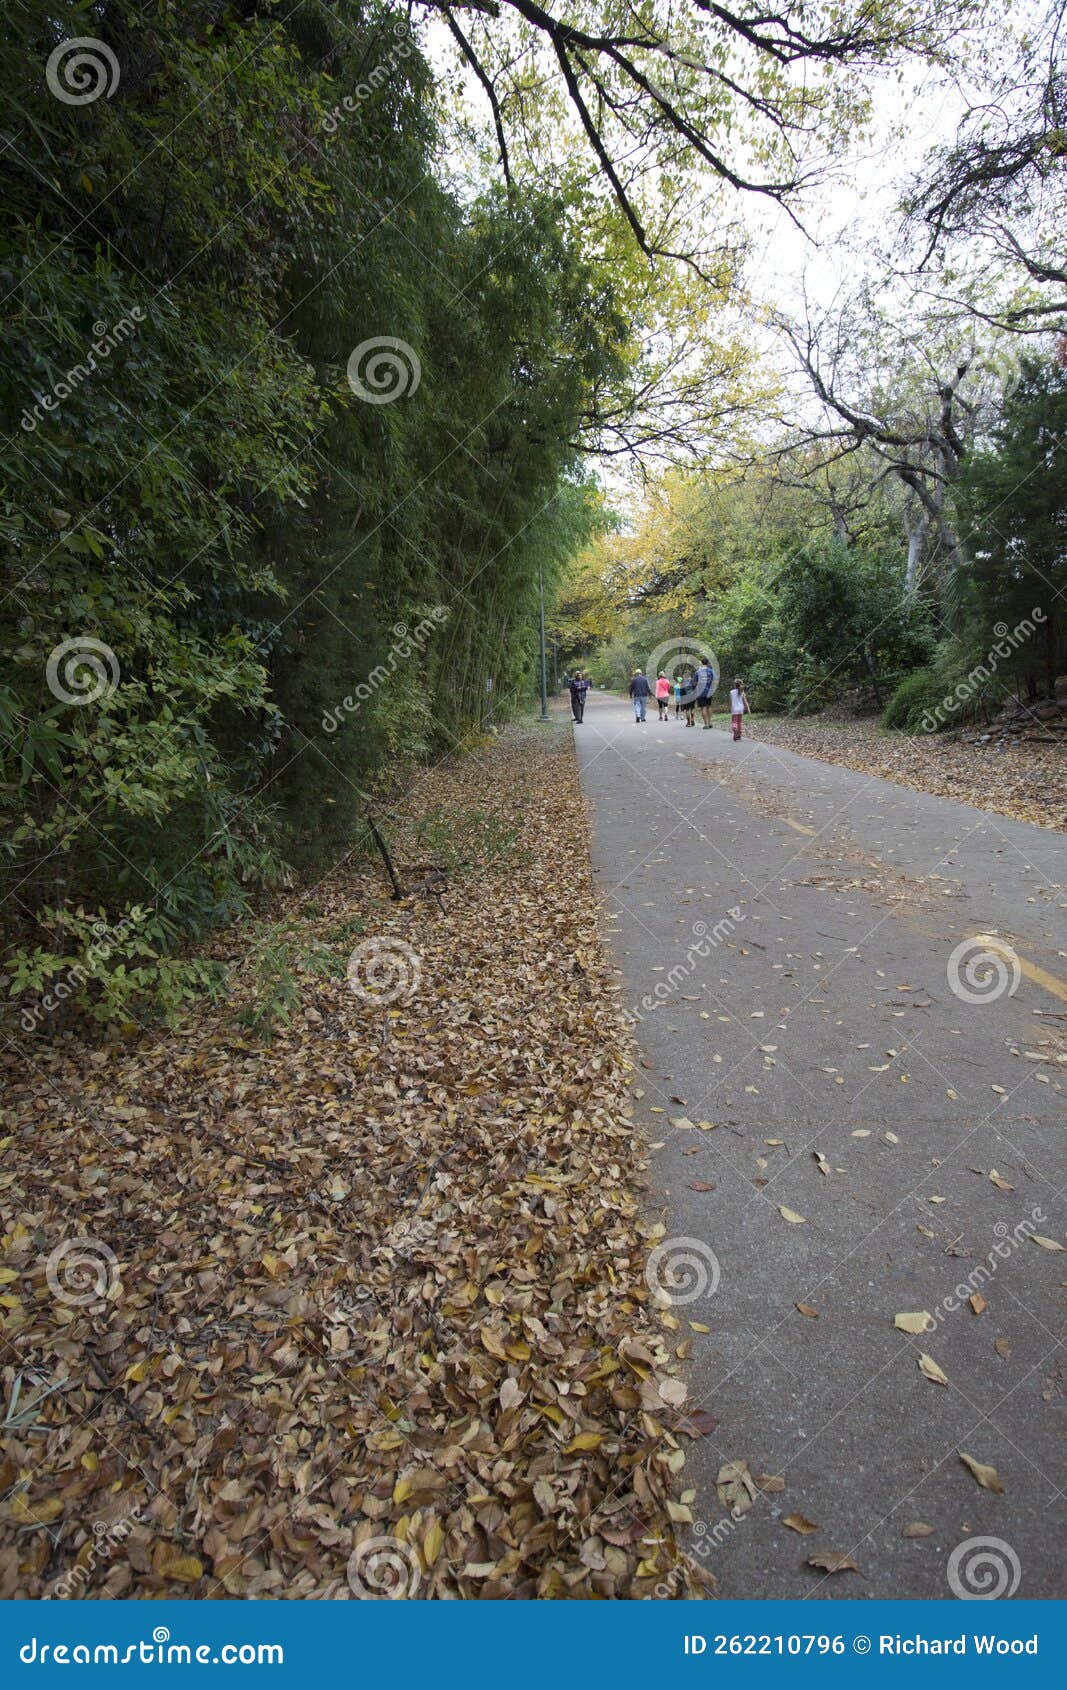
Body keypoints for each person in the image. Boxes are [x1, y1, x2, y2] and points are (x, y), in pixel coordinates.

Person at [694, 654, 716, 728]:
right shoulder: (711, 671)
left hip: (700, 692)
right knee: (709, 706)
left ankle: (706, 724)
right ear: (707, 663)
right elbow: (715, 680)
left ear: (701, 663)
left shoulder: (698, 672)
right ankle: (710, 723)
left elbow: (694, 681)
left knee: (703, 707)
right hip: (709, 691)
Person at [729, 677, 750, 741]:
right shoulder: (742, 692)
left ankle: (735, 729)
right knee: (739, 722)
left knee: (734, 721)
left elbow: (730, 702)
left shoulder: (731, 692)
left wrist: (730, 708)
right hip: (741, 709)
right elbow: (745, 702)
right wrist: (748, 709)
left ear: (734, 685)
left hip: (734, 709)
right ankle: (739, 735)